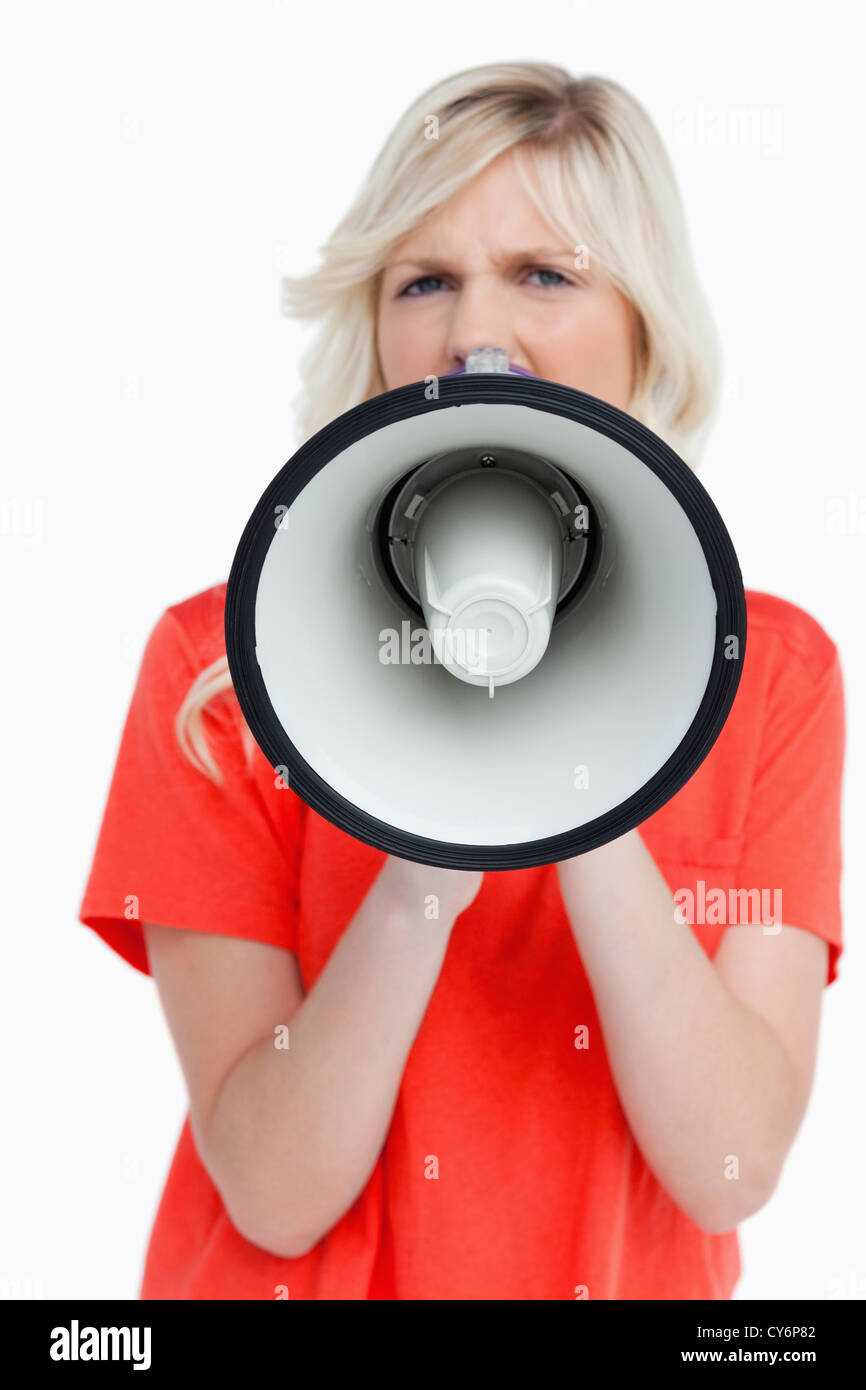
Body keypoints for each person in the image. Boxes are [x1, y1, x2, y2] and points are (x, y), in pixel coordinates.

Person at [78, 62, 845, 1300]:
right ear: (375, 331)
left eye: (545, 273)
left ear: (642, 321)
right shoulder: (211, 679)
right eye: (423, 281)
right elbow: (274, 1196)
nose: (474, 333)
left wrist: (569, 752)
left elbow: (726, 1162)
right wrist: (432, 819)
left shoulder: (771, 679)